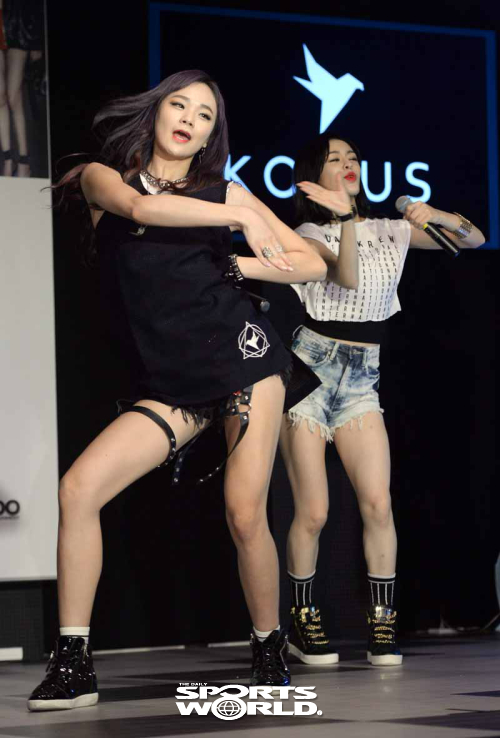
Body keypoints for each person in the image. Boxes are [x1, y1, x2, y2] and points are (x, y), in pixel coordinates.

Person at [27, 70, 327, 711]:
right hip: (172, 380)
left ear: (212, 136)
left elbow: (311, 261)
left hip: (245, 358)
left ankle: (269, 646)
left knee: (244, 511)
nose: (189, 118)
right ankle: (73, 664)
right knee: (78, 489)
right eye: (179, 104)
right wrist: (238, 215)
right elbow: (143, 211)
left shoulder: (227, 189)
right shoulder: (104, 179)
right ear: (156, 112)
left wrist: (240, 258)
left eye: (205, 114)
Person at [279, 133, 485, 667]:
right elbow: (345, 276)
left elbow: (474, 239)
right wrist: (347, 219)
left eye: (353, 157)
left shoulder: (390, 229)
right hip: (308, 373)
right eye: (334, 159)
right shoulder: (306, 234)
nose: (348, 164)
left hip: (360, 379)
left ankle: (382, 622)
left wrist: (435, 214)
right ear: (314, 178)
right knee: (314, 511)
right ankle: (303, 621)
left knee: (377, 502)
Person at [0, 0, 42, 176]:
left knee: (13, 96)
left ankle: (24, 161)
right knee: (1, 98)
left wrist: (37, 42)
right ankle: (8, 159)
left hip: (18, 28)